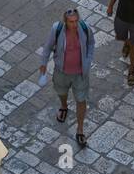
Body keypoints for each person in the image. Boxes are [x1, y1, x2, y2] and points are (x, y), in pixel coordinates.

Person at [38, 8, 95, 149]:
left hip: (80, 73)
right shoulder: (57, 29)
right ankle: (64, 106)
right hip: (62, 71)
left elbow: (91, 44)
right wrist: (43, 64)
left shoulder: (85, 28)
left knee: (81, 100)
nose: (74, 24)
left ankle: (80, 129)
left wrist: (87, 61)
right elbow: (47, 47)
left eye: (76, 21)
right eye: (71, 22)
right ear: (65, 22)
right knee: (61, 91)